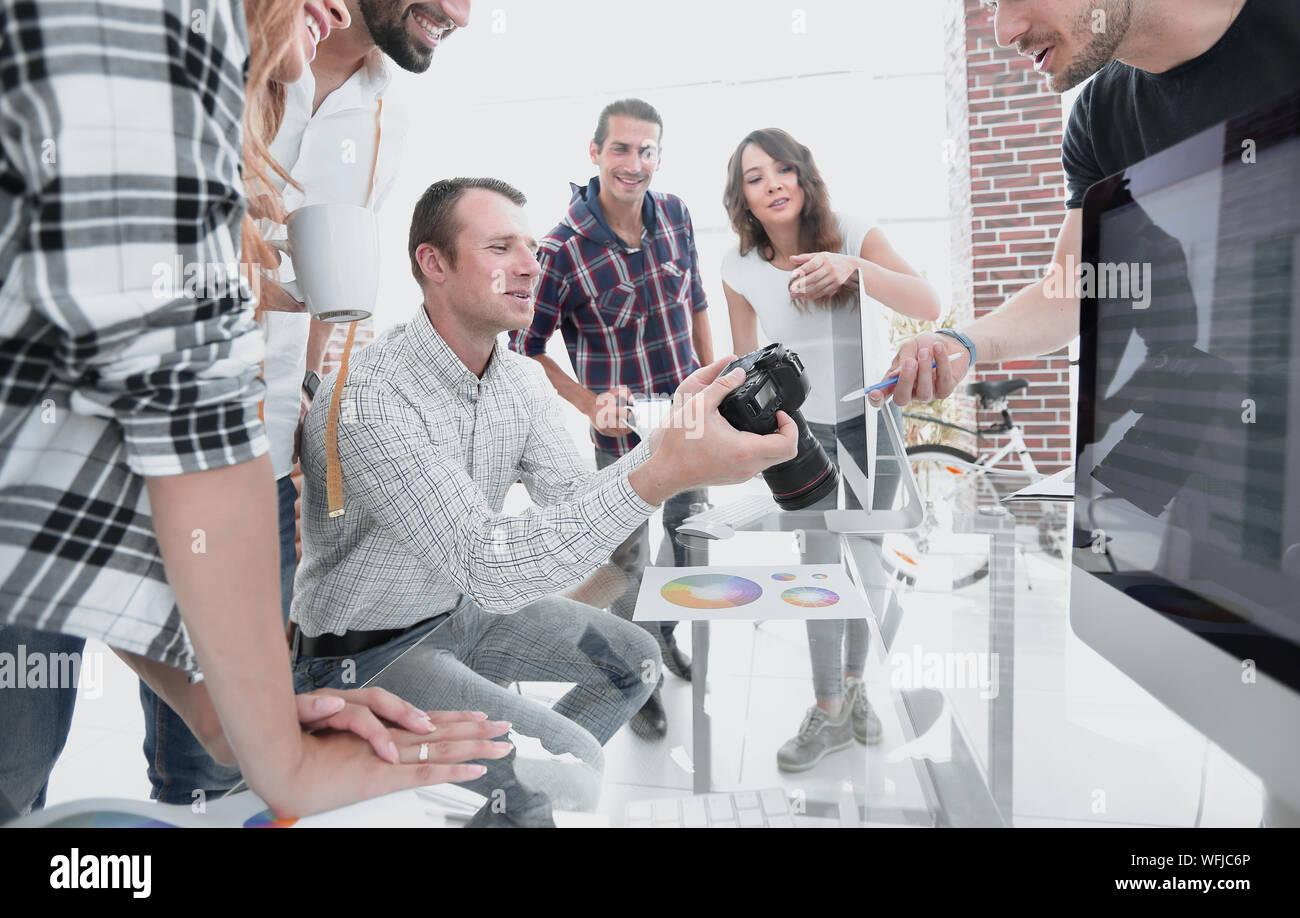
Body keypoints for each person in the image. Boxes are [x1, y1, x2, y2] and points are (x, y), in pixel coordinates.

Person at [0, 0, 504, 823]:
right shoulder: (156, 34)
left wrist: (226, 717)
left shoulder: (336, 94)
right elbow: (161, 381)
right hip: (175, 458)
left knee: (198, 771)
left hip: (205, 455)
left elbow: (80, 443)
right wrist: (277, 753)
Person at [290, 177, 799, 824]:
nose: (532, 264)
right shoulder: (367, 395)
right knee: (569, 772)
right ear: (434, 264)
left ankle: (503, 793)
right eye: (501, 247)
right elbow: (491, 566)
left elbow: (576, 502)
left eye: (530, 247)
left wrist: (674, 436)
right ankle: (520, 788)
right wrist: (664, 472)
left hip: (458, 614)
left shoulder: (521, 382)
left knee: (635, 664)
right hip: (362, 654)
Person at [136, 0, 474, 808]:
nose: (460, 11)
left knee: (219, 755)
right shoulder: (212, 45)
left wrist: (303, 454)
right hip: (107, 429)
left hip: (253, 462)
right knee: (17, 749)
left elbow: (329, 299)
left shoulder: (383, 118)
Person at [870, 0, 1300, 406]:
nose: (1004, 31)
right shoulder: (1097, 118)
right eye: (991, 4)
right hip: (1229, 444)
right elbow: (1076, 288)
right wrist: (960, 343)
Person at [720, 128, 941, 772]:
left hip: (869, 425)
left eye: (783, 170)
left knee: (868, 569)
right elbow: (741, 363)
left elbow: (929, 301)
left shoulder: (851, 231)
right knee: (820, 576)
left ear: (803, 175)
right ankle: (831, 709)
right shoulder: (738, 267)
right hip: (802, 439)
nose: (773, 185)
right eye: (755, 178)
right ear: (744, 200)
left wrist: (855, 268)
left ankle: (855, 691)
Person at [509, 99, 711, 739]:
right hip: (621, 436)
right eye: (621, 148)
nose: (635, 163)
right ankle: (635, 672)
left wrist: (714, 380)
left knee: (694, 542)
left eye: (647, 149)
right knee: (627, 564)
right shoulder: (561, 249)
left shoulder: (676, 213)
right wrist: (586, 400)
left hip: (689, 420)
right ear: (594, 153)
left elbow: (698, 300)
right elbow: (523, 348)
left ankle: (660, 635)